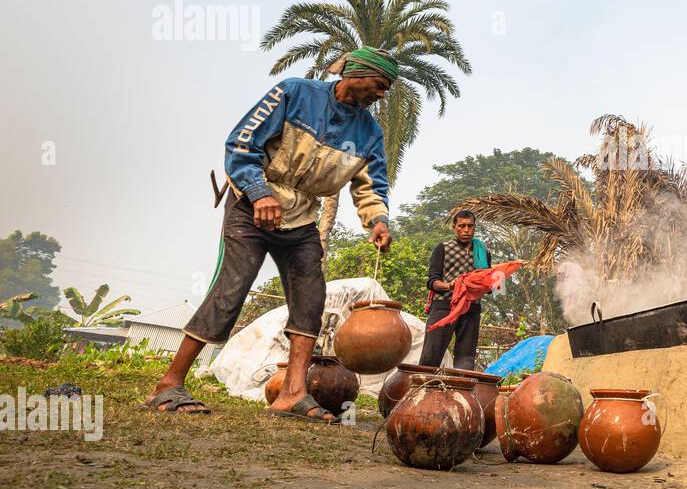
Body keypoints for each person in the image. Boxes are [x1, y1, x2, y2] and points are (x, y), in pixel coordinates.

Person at [141, 47, 397, 422]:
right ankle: (169, 384)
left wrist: (377, 221)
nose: (381, 95)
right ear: (355, 73)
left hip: (301, 217)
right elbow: (241, 145)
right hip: (251, 207)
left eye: (386, 89)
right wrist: (260, 193)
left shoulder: (369, 133)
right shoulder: (294, 93)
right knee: (232, 289)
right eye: (379, 85)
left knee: (311, 299)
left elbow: (371, 185)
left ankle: (293, 393)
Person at [420, 210, 491, 370]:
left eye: (470, 226)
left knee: (466, 358)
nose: (466, 230)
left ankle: (460, 392)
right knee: (431, 354)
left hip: (471, 309)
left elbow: (488, 285)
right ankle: (422, 390)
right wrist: (450, 285)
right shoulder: (443, 248)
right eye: (462, 226)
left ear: (474, 227)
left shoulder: (483, 252)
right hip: (444, 306)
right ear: (454, 227)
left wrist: (490, 282)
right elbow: (433, 281)